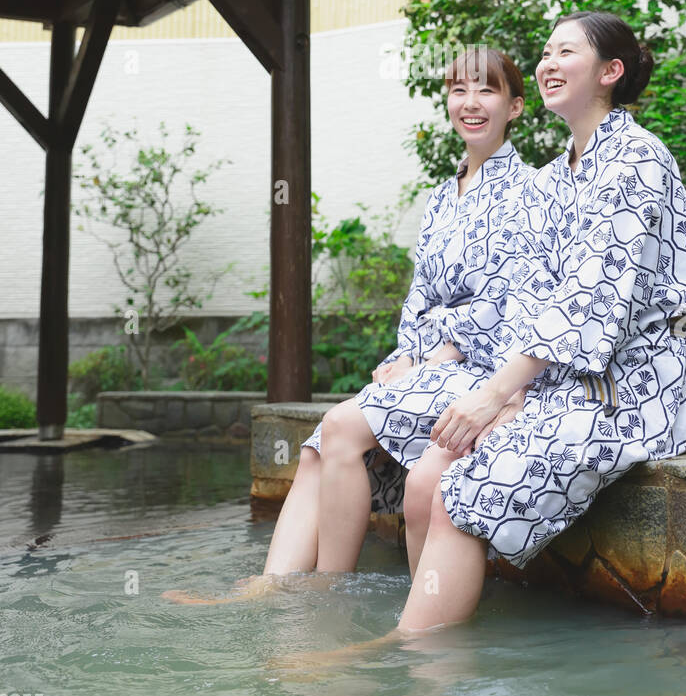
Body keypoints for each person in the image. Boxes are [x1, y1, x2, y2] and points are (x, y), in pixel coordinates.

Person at [162, 46, 532, 604]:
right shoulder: (441, 197)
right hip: (429, 365)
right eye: (459, 90)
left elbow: (513, 298)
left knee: (339, 427)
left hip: (483, 373)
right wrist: (407, 354)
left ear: (515, 107)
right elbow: (421, 295)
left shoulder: (530, 192)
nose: (470, 103)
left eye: (486, 91)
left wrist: (441, 350)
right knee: (317, 447)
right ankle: (272, 584)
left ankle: (327, 594)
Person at [387, 9, 686, 633]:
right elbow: (531, 303)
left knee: (463, 496)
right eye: (545, 52)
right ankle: (424, 634)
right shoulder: (557, 177)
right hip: (562, 383)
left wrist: (494, 396)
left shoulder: (635, 159)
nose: (546, 64)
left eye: (565, 52)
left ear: (610, 72)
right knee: (432, 474)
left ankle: (413, 654)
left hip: (637, 389)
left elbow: (588, 303)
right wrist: (515, 393)